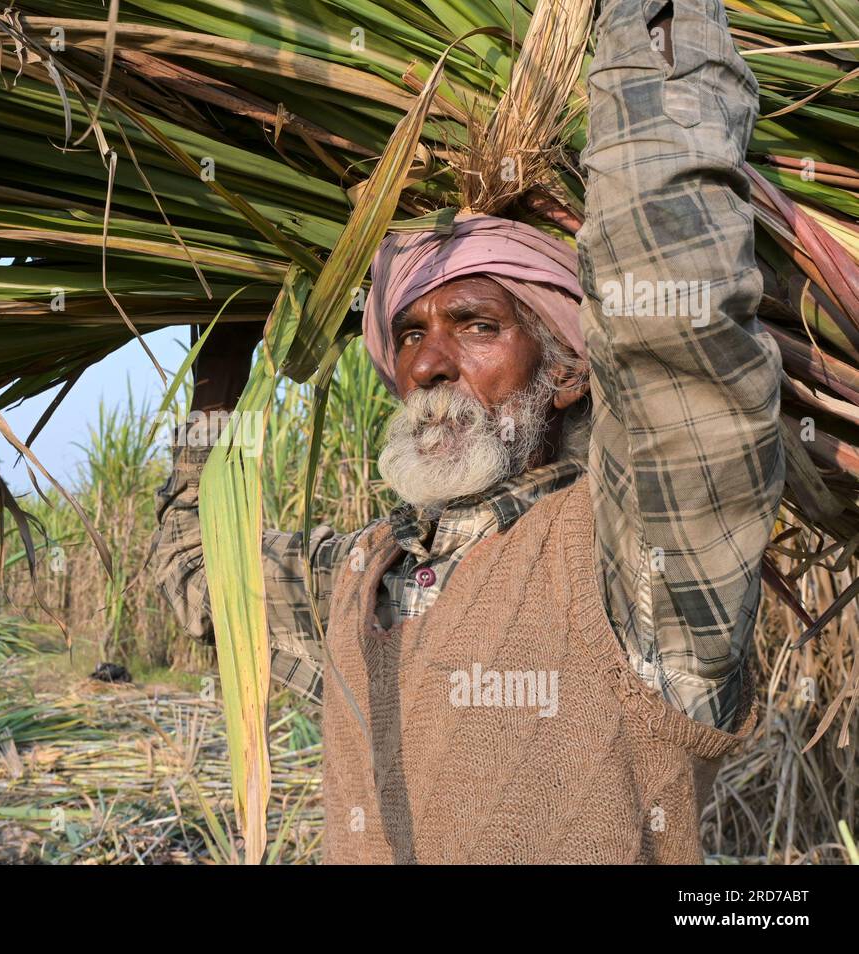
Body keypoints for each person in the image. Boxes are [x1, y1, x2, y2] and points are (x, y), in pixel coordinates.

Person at [152, 0, 784, 863]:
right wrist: (219, 378)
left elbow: (679, 336)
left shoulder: (633, 564)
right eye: (408, 335)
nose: (427, 365)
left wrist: (651, 32)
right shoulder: (362, 577)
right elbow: (200, 572)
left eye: (477, 326)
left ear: (566, 371)